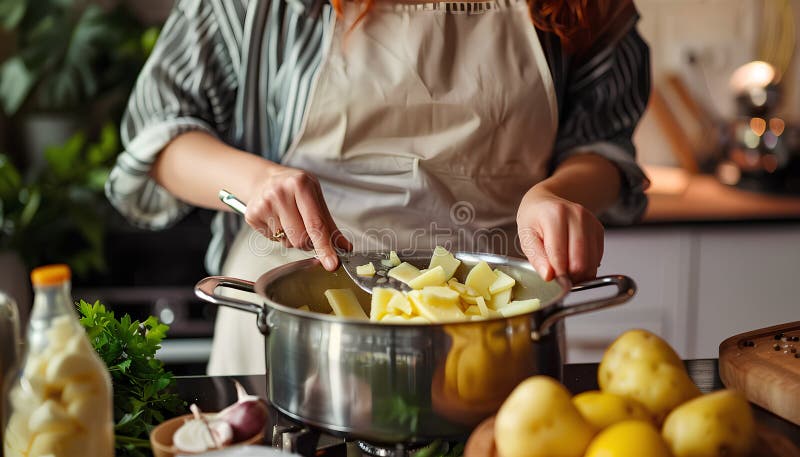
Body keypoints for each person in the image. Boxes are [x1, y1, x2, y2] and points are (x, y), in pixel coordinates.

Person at [106, 0, 651, 375]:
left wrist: (559, 194)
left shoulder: (584, 7)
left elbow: (603, 144)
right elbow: (160, 134)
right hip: (292, 318)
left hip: (493, 325)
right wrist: (255, 179)